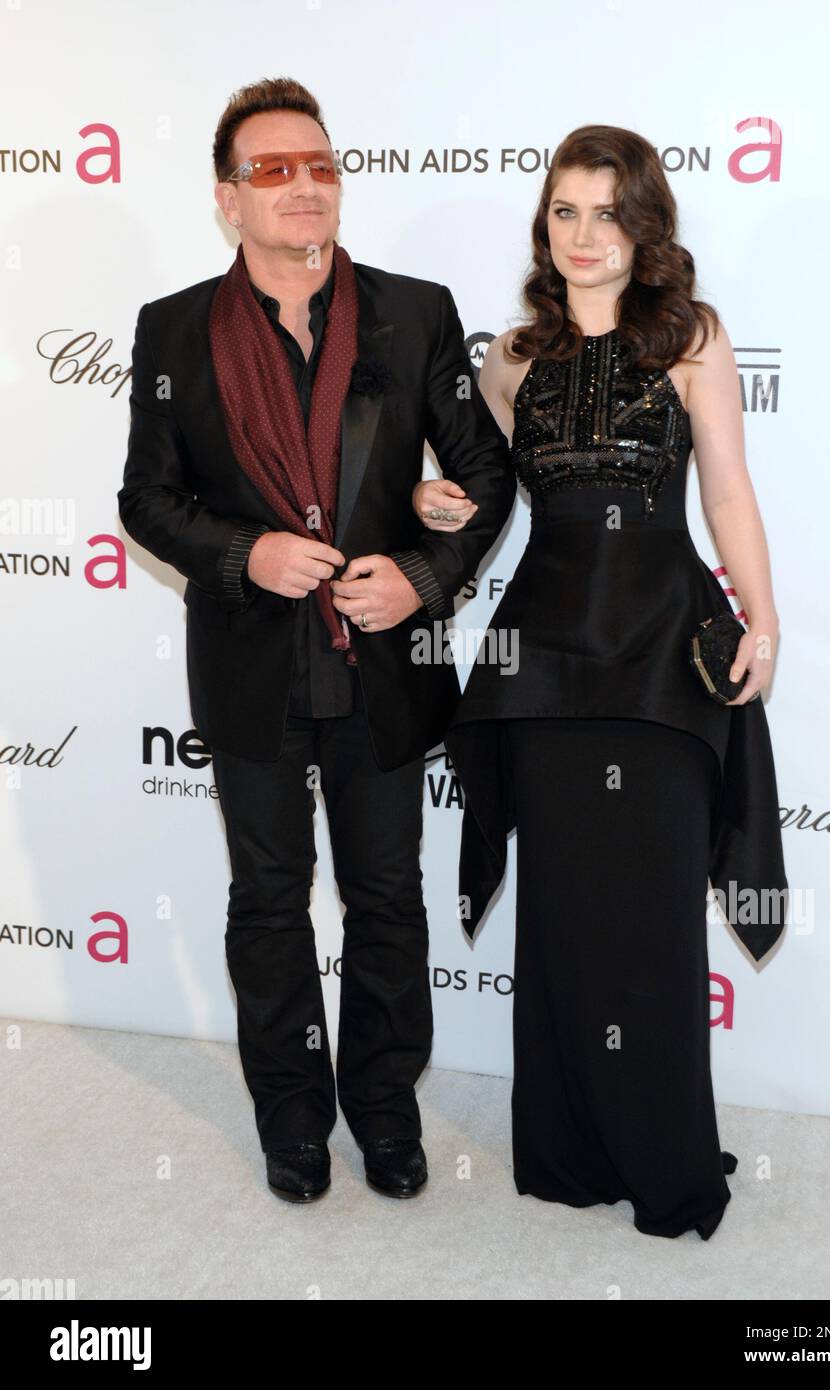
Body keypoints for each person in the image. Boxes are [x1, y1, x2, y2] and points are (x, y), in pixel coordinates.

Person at [117, 77, 514, 1204]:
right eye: (271, 170)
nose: (303, 186)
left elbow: (482, 473)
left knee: (388, 894)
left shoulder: (414, 310)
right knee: (268, 898)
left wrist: (426, 572)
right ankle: (291, 1117)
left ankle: (384, 1111)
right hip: (249, 660)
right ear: (226, 200)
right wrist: (245, 553)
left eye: (319, 164)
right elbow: (146, 500)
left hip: (379, 660)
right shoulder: (172, 330)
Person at [415, 126, 789, 1240]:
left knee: (654, 918)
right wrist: (433, 505)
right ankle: (570, 1151)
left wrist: (759, 611)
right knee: (569, 921)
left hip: (664, 646)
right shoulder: (509, 358)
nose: (583, 235)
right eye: (564, 212)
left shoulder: (691, 340)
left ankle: (665, 1156)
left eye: (606, 212)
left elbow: (724, 487)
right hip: (546, 657)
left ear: (644, 225)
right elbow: (477, 499)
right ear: (545, 224)